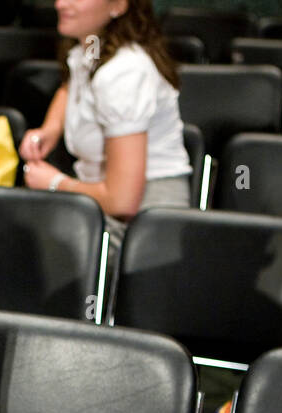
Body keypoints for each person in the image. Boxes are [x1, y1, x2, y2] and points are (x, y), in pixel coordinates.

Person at [19, 0, 190, 254]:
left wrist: (54, 183)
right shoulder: (92, 49)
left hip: (144, 225)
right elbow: (70, 86)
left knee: (23, 246)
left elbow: (122, 202)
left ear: (119, 6)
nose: (60, 3)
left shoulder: (124, 72)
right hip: (100, 205)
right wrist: (51, 128)